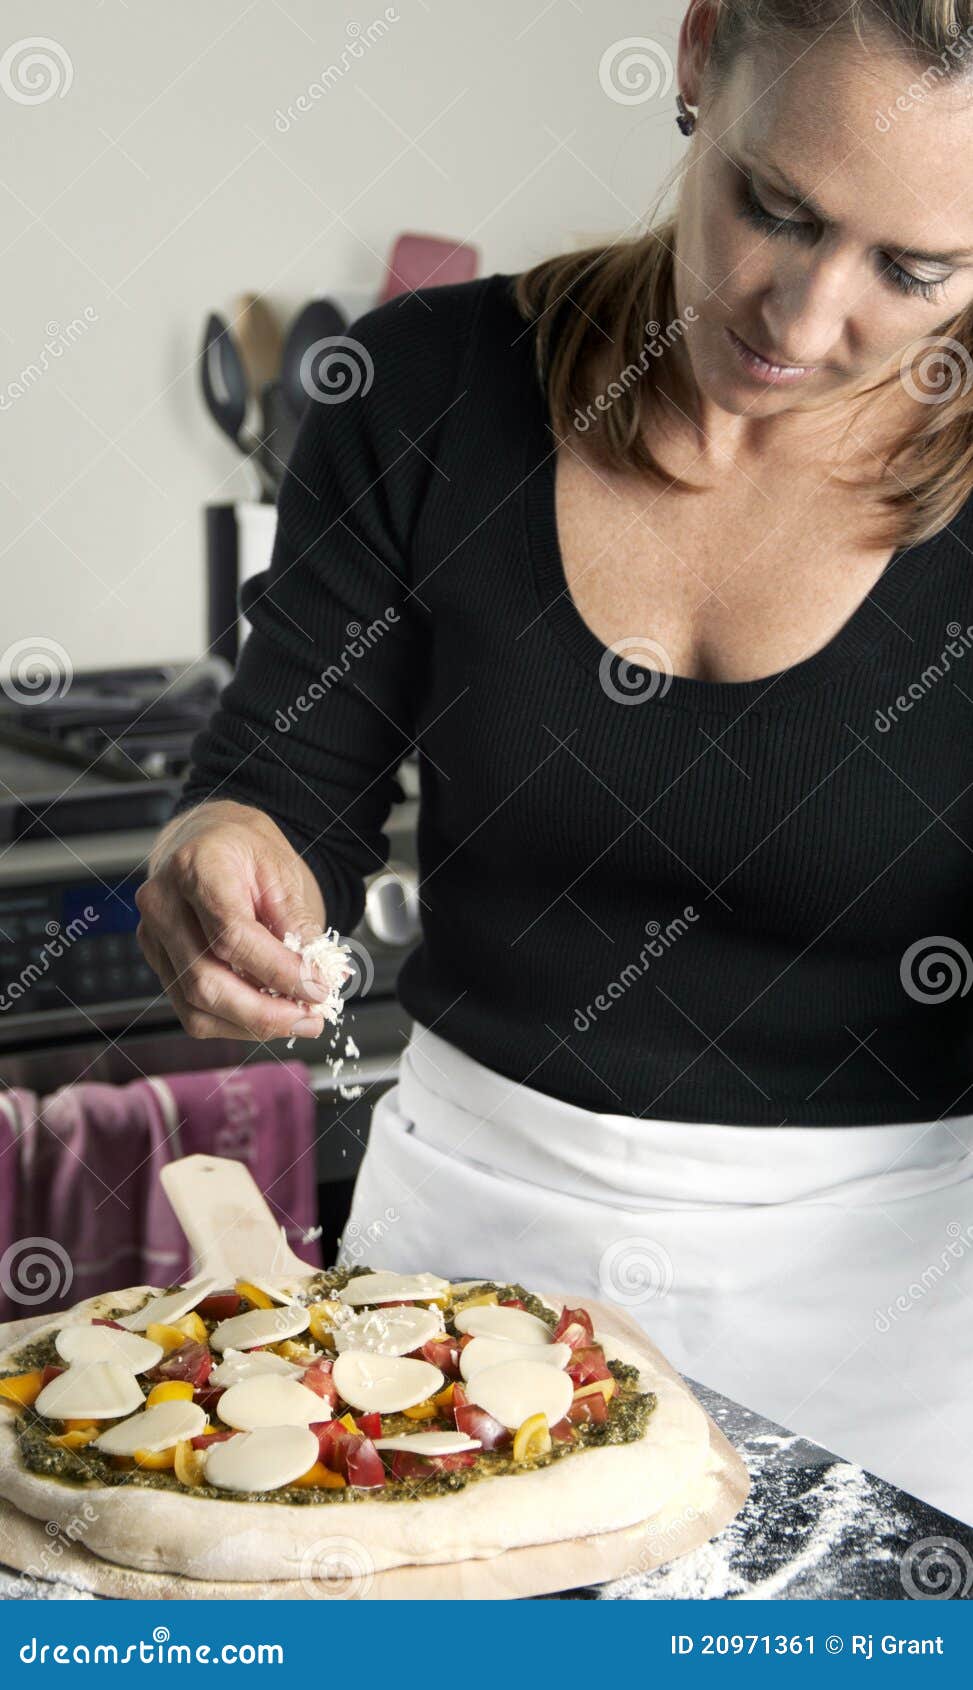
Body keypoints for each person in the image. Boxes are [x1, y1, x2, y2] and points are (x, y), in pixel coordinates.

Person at [138, 1, 973, 1524]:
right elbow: (286, 780)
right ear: (702, 55)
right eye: (773, 208)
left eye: (912, 272)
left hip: (890, 1334)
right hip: (453, 1272)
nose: (798, 317)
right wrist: (227, 859)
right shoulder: (420, 390)